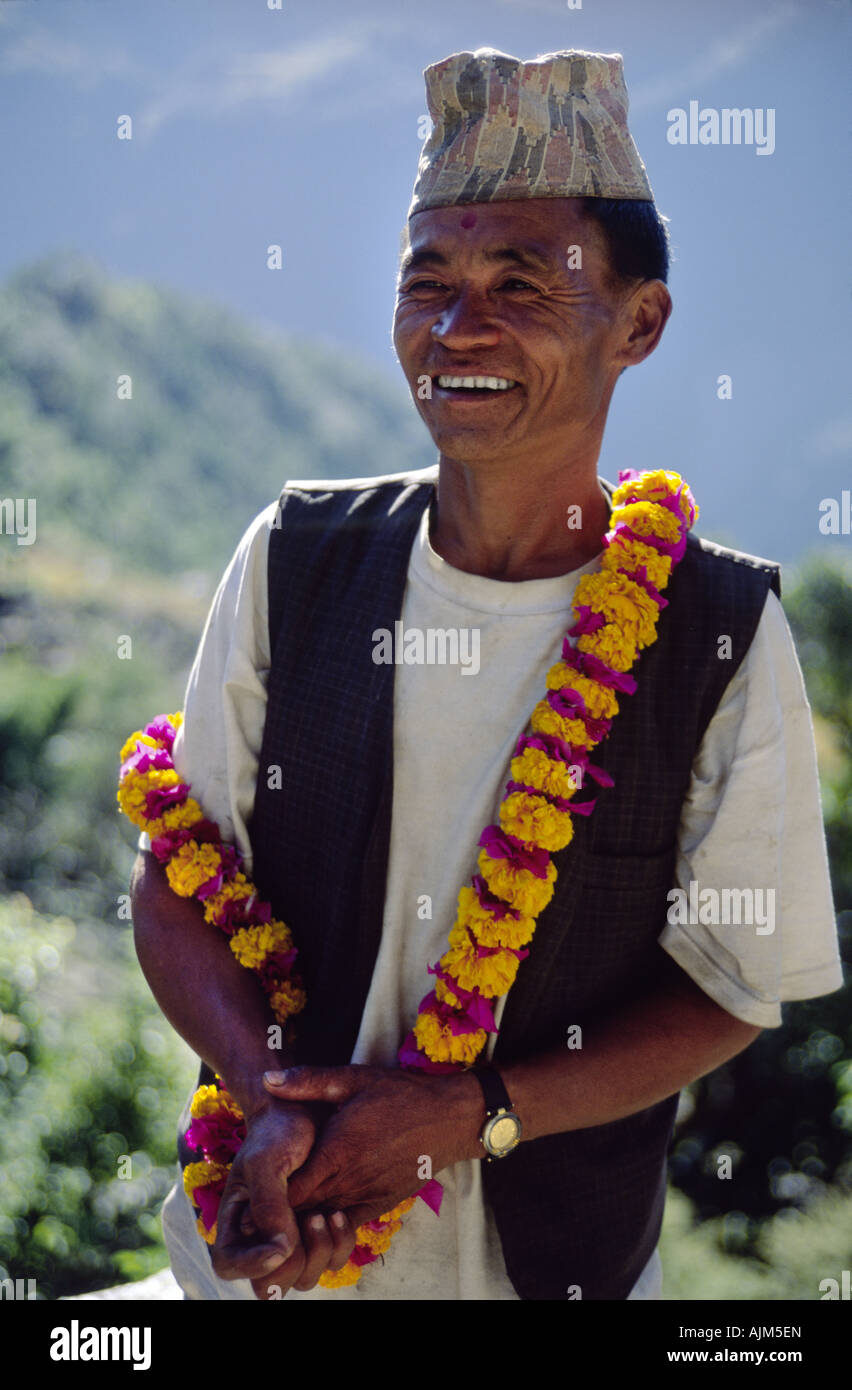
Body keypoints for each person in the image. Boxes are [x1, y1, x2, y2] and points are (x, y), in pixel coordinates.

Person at [129, 47, 843, 1301]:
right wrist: (272, 1099)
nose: (461, 328)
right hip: (266, 1259)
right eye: (430, 282)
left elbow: (733, 984)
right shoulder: (297, 560)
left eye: (523, 281)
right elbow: (179, 871)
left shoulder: (718, 628)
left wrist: (466, 1115)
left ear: (640, 323)